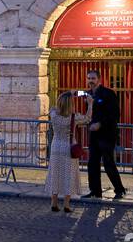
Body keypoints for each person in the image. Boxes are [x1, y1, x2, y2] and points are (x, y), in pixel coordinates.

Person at [82, 69, 126, 200]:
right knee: (92, 163)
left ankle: (119, 190)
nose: (90, 80)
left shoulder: (108, 93)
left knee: (108, 163)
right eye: (88, 78)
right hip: (94, 135)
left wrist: (100, 124)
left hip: (107, 135)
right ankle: (95, 191)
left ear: (99, 80)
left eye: (93, 78)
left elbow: (115, 115)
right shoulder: (88, 95)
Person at [45, 89, 88, 213]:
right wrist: (90, 105)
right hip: (69, 148)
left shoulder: (53, 115)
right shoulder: (73, 117)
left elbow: (52, 108)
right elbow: (87, 118)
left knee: (55, 173)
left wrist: (67, 94)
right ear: (71, 104)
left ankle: (54, 202)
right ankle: (67, 205)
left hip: (56, 146)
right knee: (68, 175)